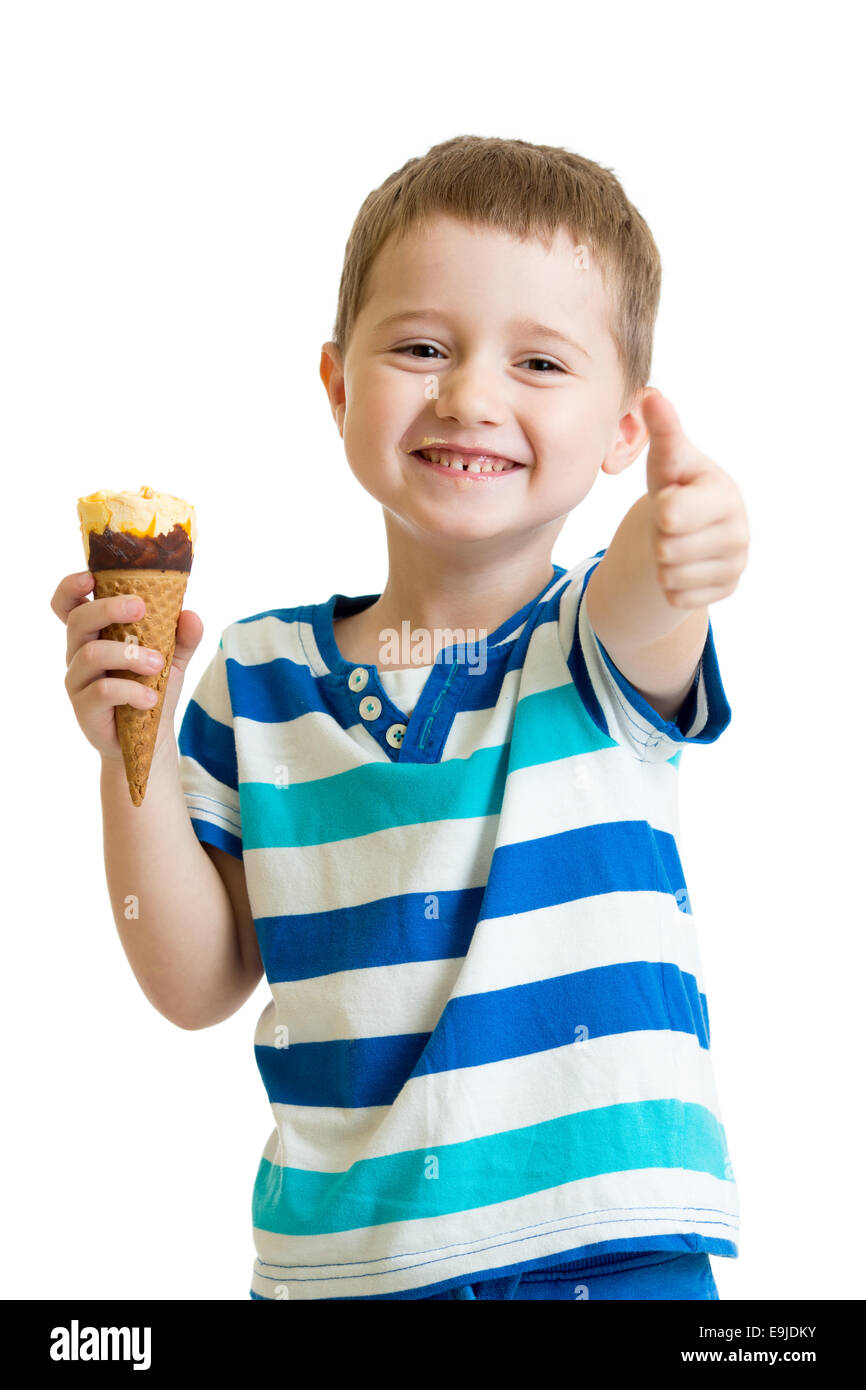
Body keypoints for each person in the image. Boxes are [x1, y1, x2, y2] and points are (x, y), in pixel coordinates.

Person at [53, 134, 749, 1301]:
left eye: (538, 363)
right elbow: (192, 982)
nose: (468, 395)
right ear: (337, 387)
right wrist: (131, 749)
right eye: (422, 347)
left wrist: (695, 529)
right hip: (345, 1272)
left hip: (607, 1256)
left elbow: (653, 586)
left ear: (622, 429)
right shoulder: (255, 673)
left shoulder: (592, 637)